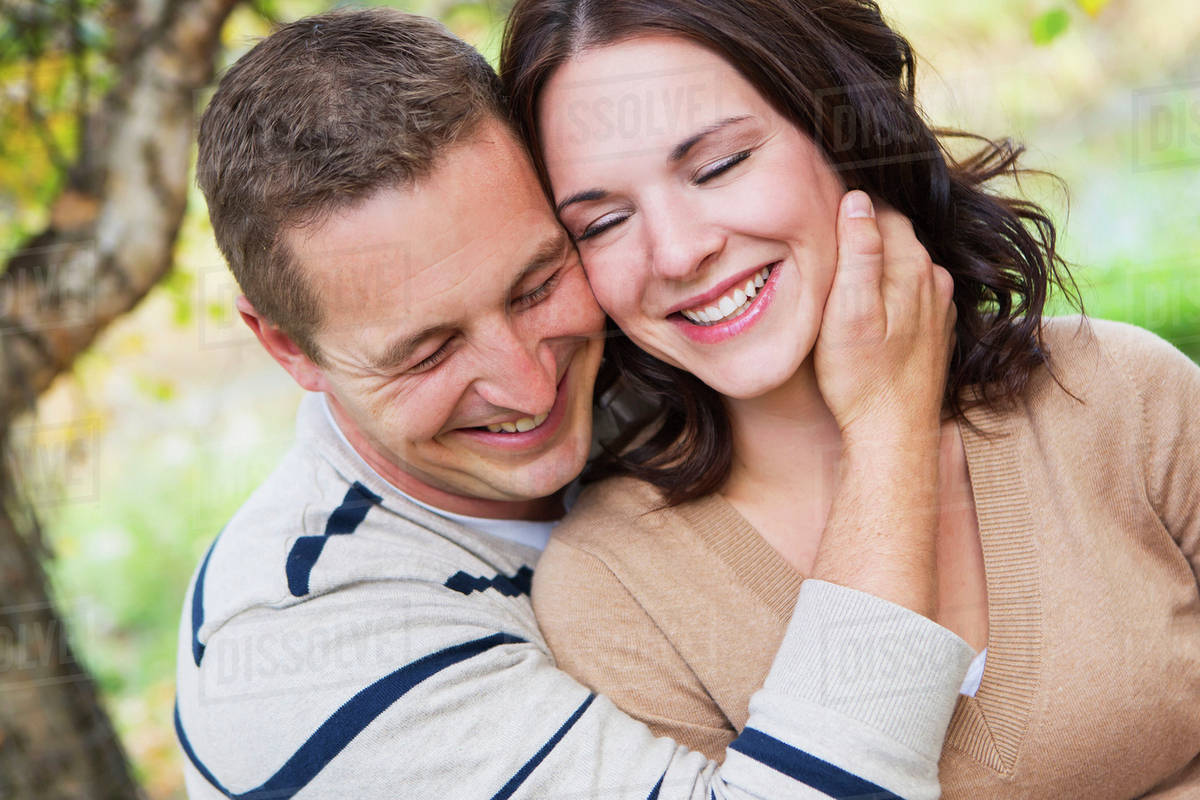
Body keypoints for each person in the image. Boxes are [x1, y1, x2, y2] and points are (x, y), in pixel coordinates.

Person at [173, 7, 977, 800]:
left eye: (537, 286)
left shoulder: (650, 353)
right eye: (429, 352)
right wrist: (886, 427)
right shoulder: (301, 654)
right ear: (285, 345)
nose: (529, 386)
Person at [500, 0, 1200, 797]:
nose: (678, 252)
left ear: (847, 133)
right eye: (605, 222)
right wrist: (885, 427)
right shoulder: (614, 589)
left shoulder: (1121, 393)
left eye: (719, 166)